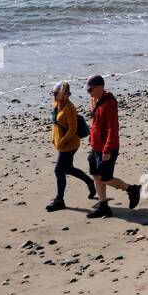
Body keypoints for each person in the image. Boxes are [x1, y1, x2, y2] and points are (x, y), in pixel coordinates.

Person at [84, 74, 141, 218]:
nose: (88, 93)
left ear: (100, 88)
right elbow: (96, 122)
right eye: (87, 90)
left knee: (105, 178)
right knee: (96, 175)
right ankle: (104, 206)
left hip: (107, 148)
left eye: (90, 90)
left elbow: (112, 129)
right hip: (95, 147)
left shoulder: (108, 104)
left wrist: (107, 149)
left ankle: (132, 189)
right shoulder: (97, 101)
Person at [47, 81, 95, 212]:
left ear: (63, 94)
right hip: (61, 144)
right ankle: (90, 183)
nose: (53, 95)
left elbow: (73, 129)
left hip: (70, 144)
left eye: (55, 93)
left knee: (58, 170)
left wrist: (62, 140)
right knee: (68, 169)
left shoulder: (70, 108)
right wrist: (53, 138)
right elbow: (55, 124)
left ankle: (59, 200)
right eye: (53, 93)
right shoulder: (57, 105)